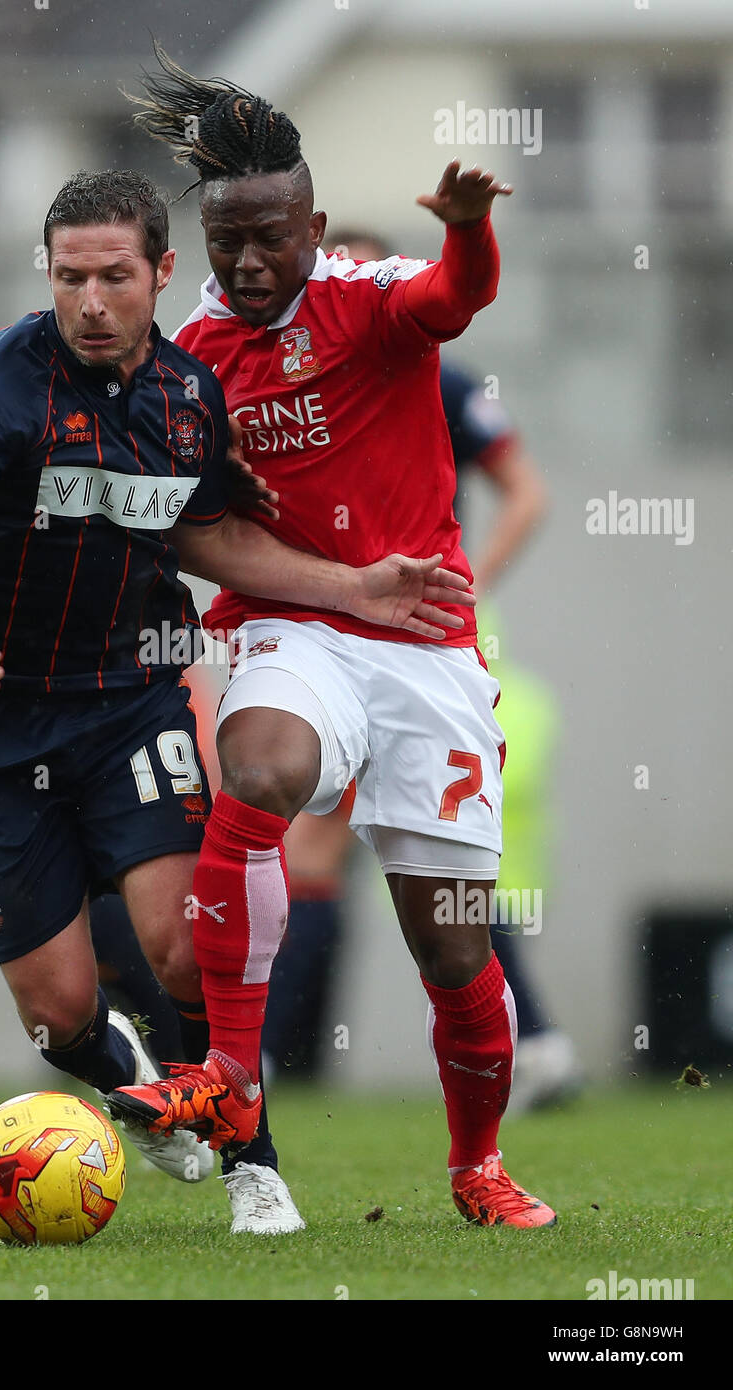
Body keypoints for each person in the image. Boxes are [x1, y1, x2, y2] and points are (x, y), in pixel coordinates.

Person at [0, 168, 475, 1233]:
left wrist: (353, 584)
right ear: (49, 276)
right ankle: (134, 1086)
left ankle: (256, 1166)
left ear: (162, 273)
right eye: (72, 278)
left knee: (181, 945)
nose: (94, 301)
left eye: (116, 275)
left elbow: (207, 536)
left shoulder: (189, 394)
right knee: (58, 1008)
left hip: (132, 701)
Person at [109, 51, 557, 1227]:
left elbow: (456, 300)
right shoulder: (187, 362)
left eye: (271, 238)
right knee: (256, 775)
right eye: (226, 243)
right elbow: (189, 531)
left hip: (425, 643)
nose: (249, 264)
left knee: (453, 950)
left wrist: (466, 232)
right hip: (292, 630)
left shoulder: (368, 295)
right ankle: (231, 1079)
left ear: (313, 224)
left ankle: (478, 1164)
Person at [260, 228, 580, 1106]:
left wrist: (471, 587)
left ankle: (262, 1059)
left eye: (365, 271)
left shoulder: (430, 368)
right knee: (361, 851)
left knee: (395, 853)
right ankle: (536, 1044)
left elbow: (527, 489)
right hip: (329, 631)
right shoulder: (277, 373)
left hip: (423, 641)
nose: (345, 290)